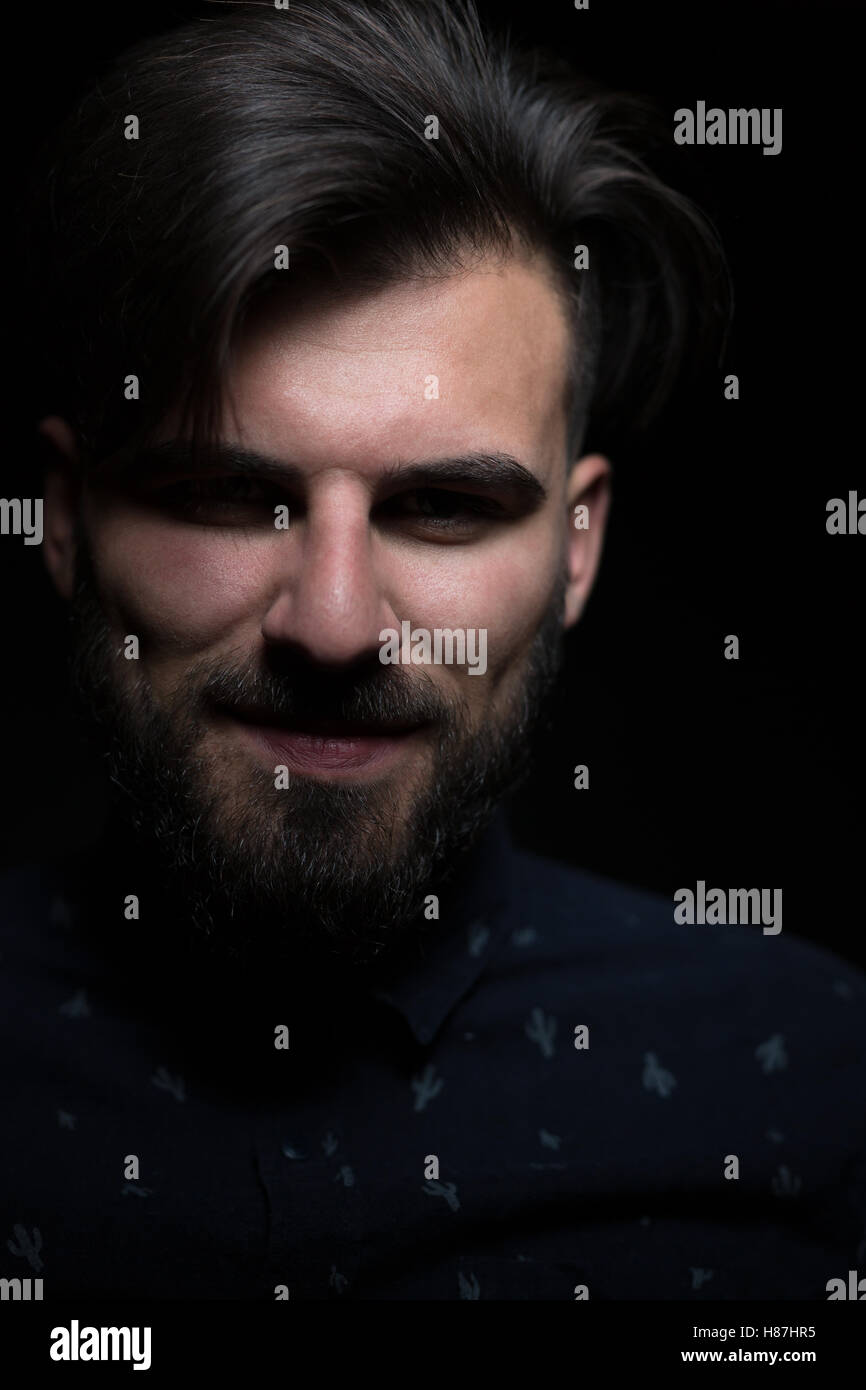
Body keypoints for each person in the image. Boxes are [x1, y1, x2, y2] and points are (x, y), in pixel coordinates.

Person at [2, 0, 863, 1302]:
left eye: (441, 507)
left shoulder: (810, 1079)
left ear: (575, 547)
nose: (335, 624)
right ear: (66, 520)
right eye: (231, 497)